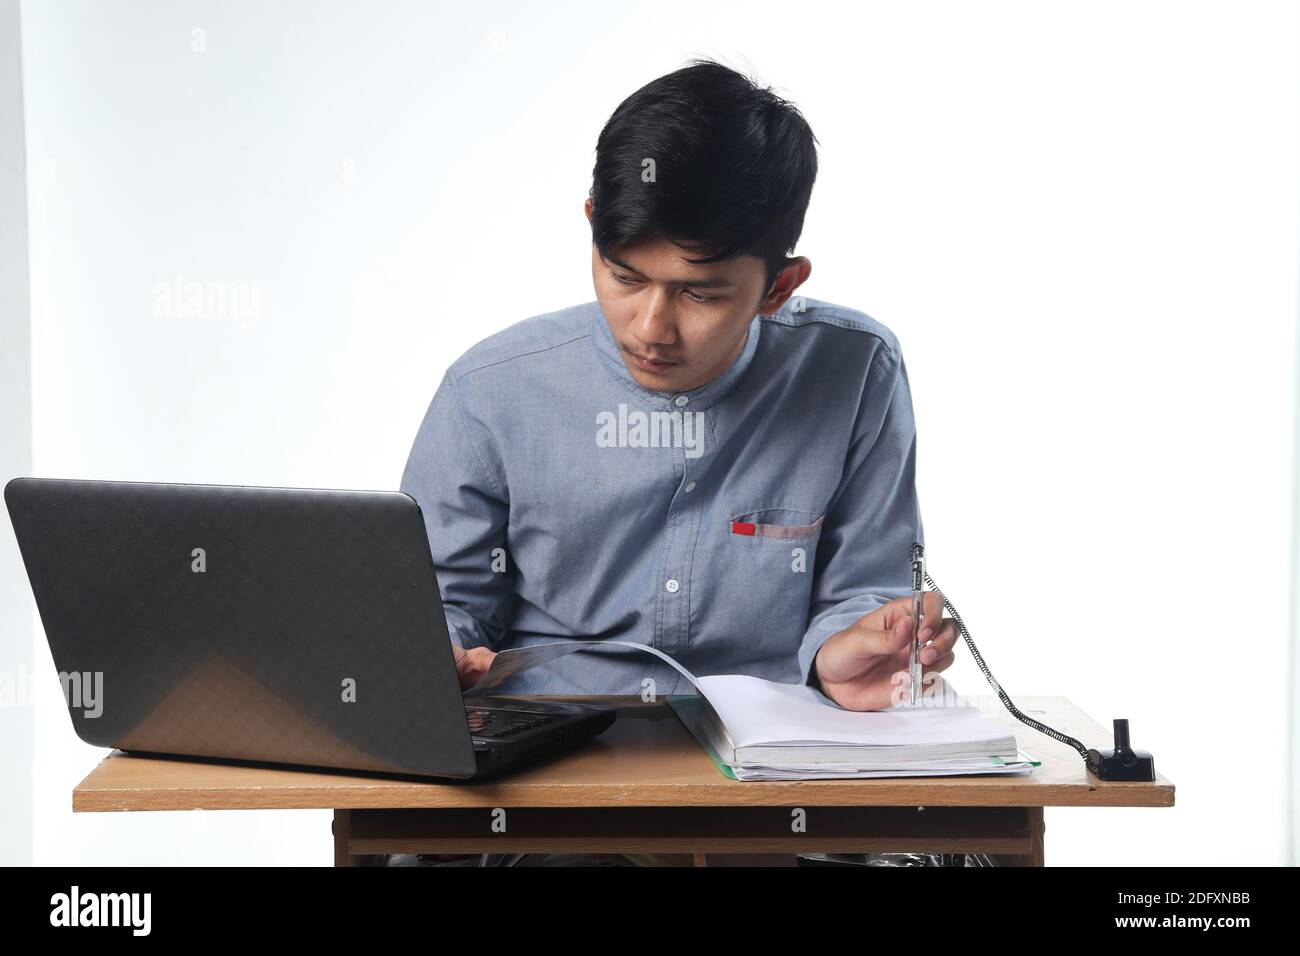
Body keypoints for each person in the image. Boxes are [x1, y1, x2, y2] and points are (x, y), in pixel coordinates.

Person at [396, 58, 960, 868]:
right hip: (554, 782)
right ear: (593, 223)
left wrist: (850, 650)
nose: (650, 327)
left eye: (700, 294)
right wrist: (429, 657)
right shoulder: (492, 392)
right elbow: (442, 607)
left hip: (772, 783)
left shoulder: (855, 371)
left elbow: (859, 591)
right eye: (625, 276)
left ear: (779, 287)